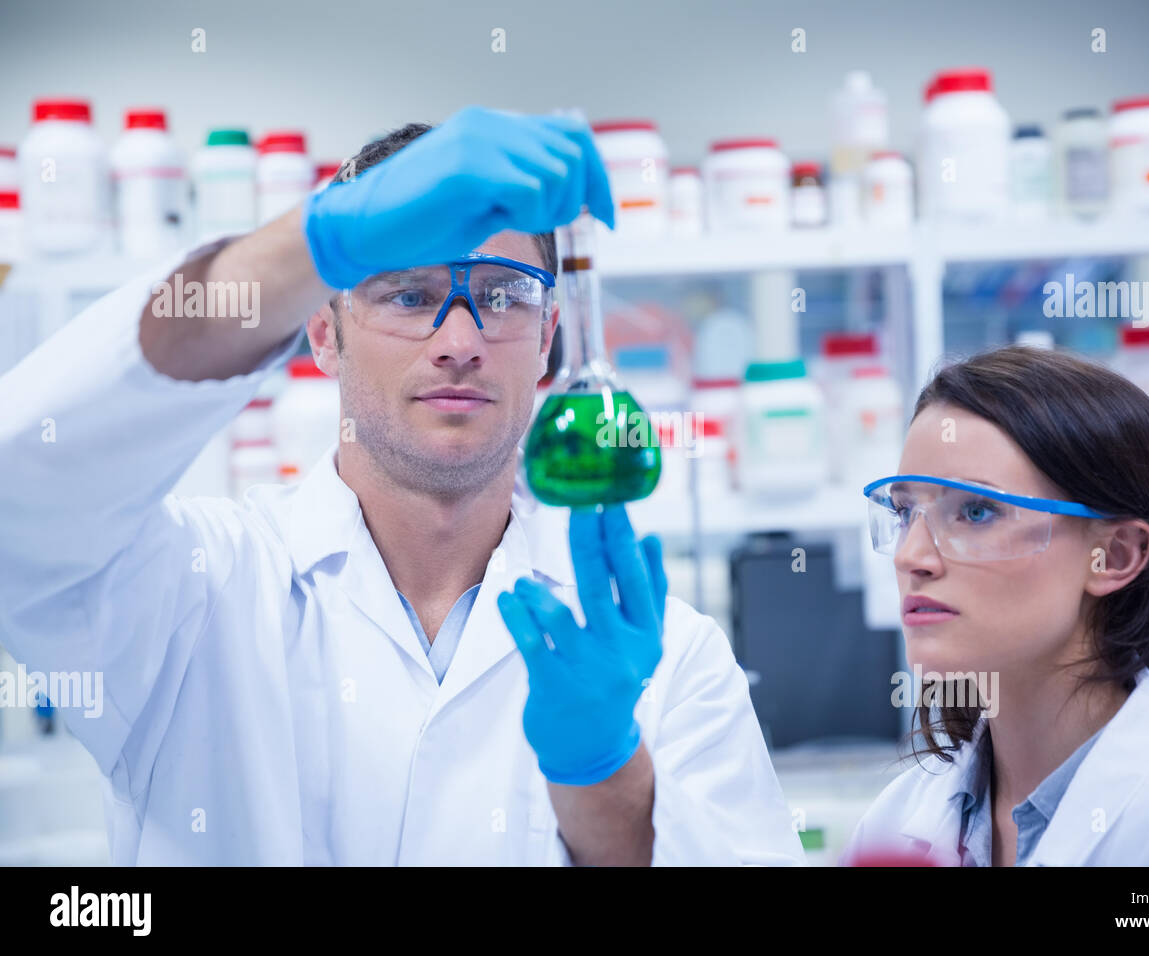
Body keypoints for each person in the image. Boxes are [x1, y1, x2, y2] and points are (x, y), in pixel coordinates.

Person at [0, 107, 804, 866]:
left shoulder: (668, 657)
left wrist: (605, 772)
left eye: (502, 296)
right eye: (409, 295)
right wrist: (316, 240)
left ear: (550, 337)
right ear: (323, 330)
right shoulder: (193, 593)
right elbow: (21, 490)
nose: (460, 341)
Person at [842, 345, 1149, 866]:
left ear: (1117, 554)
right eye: (905, 512)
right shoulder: (893, 827)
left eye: (975, 511)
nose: (911, 556)